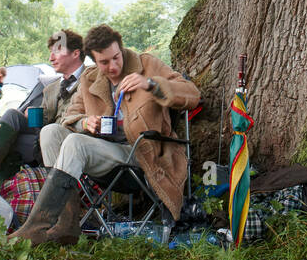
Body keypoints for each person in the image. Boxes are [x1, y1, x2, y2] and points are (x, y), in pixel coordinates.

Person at [10, 24, 199, 247]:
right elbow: (70, 117)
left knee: (75, 143)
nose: (113, 66)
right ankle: (67, 224)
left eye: (116, 57)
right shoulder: (89, 79)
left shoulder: (146, 65)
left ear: (121, 49)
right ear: (94, 61)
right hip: (104, 152)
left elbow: (192, 94)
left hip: (143, 152)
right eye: (105, 62)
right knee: (51, 132)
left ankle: (35, 229)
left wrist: (150, 84)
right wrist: (85, 122)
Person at [0, 30, 85, 191]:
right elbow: (47, 119)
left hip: (70, 140)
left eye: (56, 52)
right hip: (44, 138)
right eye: (50, 53)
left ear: (75, 53)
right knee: (12, 114)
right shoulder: (52, 87)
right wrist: (34, 114)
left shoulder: (90, 79)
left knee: (7, 144)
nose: (51, 58)